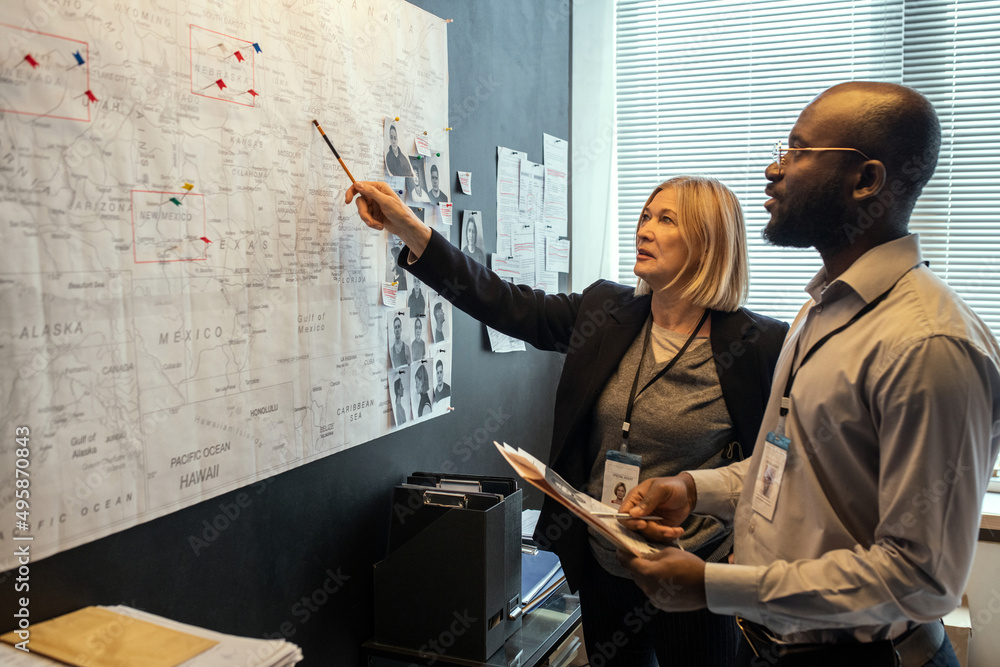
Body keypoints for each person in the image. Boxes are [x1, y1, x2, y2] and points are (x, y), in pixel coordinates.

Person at [616, 82, 1000, 667]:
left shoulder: (928, 344)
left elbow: (921, 578)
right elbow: (789, 470)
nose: (773, 170)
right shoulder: (823, 308)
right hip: (771, 643)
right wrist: (695, 488)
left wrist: (711, 586)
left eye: (796, 152)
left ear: (866, 182)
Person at [346, 174, 788, 667]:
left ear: (710, 242)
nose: (645, 229)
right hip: (604, 564)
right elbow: (506, 303)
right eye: (645, 215)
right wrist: (411, 229)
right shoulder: (607, 309)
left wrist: (743, 561)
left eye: (666, 220)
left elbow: (776, 470)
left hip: (691, 571)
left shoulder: (760, 346)